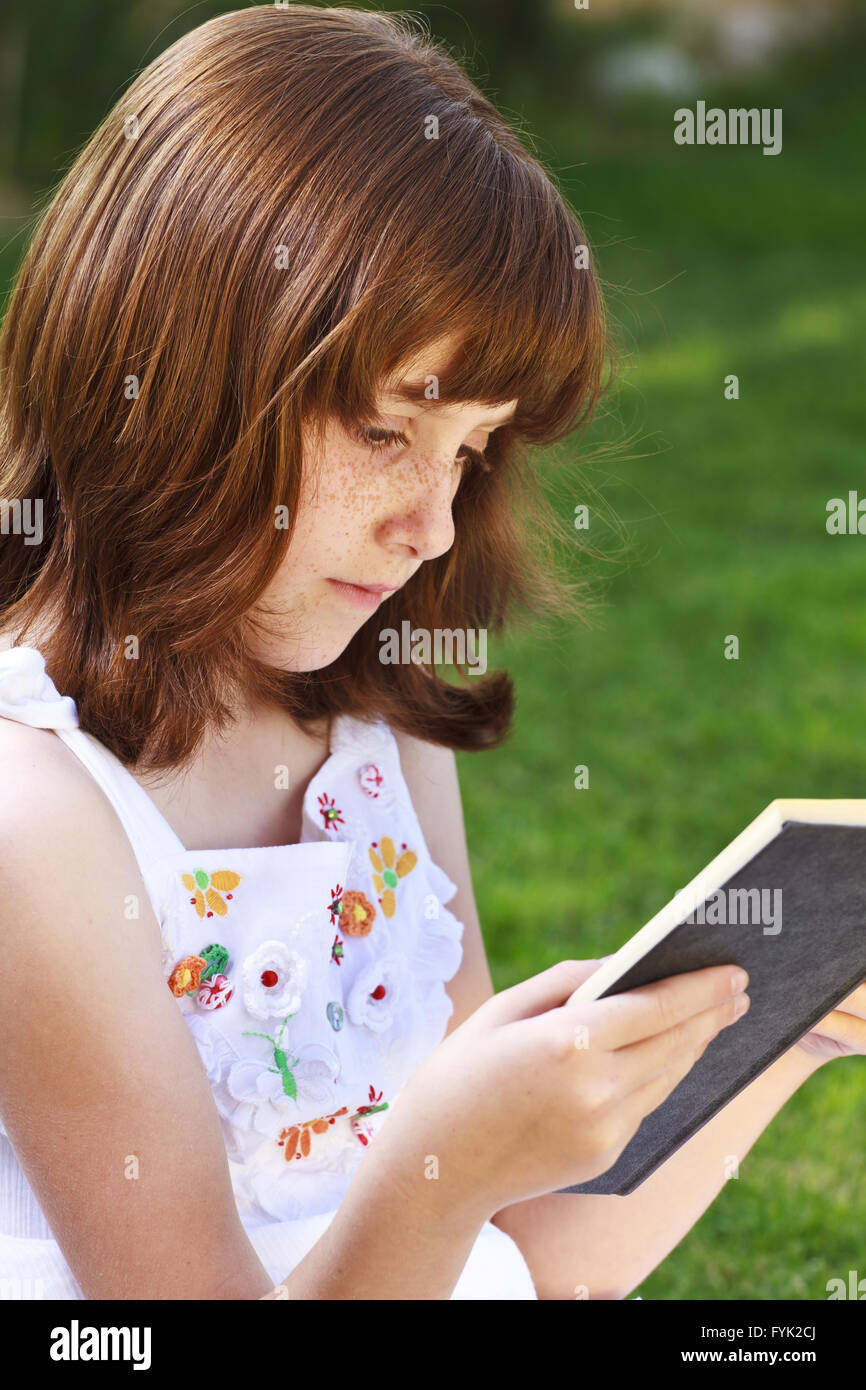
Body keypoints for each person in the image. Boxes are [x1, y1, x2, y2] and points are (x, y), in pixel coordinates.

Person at [0, 6, 862, 1301]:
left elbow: (527, 1260)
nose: (434, 524)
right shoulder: (35, 816)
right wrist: (441, 1168)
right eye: (383, 432)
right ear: (175, 370)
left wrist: (788, 1024)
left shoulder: (371, 729)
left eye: (470, 450)